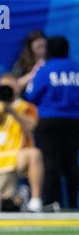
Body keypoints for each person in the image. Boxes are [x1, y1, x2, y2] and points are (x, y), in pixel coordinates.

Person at [25, 36, 79, 209]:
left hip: (49, 121)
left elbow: (31, 95)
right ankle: (72, 204)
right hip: (74, 121)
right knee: (71, 163)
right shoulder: (76, 69)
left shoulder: (46, 69)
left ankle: (51, 203)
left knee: (50, 162)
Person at [0, 74, 43, 212]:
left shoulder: (27, 107)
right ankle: (18, 196)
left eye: (9, 86)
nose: (6, 89)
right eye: (2, 86)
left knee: (34, 154)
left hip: (17, 157)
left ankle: (35, 201)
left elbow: (30, 127)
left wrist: (13, 111)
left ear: (17, 86)